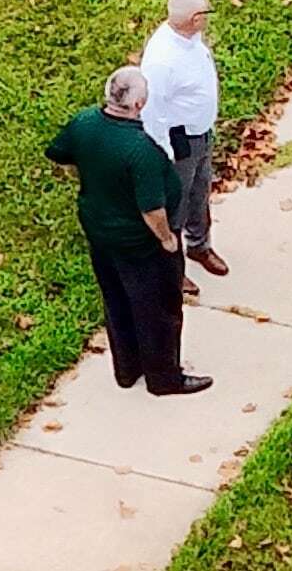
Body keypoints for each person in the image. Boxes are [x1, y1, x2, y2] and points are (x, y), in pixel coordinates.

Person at [45, 67, 210, 395]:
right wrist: (166, 239)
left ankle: (127, 368)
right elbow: (152, 209)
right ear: (139, 105)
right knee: (160, 311)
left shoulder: (84, 123)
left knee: (117, 300)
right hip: (141, 246)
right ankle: (164, 378)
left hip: (100, 237)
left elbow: (58, 153)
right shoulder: (141, 150)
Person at [140, 0, 226, 289]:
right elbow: (152, 110)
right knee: (176, 201)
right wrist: (166, 152)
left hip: (201, 133)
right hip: (179, 140)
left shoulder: (190, 38)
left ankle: (200, 245)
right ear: (195, 18)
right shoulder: (162, 60)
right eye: (204, 13)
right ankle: (170, 268)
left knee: (200, 192)